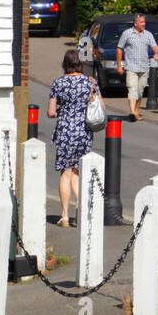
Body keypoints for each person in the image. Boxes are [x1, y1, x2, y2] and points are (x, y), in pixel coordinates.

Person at [47, 48, 103, 226]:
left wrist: (60, 113)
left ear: (65, 64)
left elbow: (50, 112)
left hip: (65, 132)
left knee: (65, 173)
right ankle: (80, 203)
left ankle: (64, 215)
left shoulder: (58, 83)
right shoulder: (90, 82)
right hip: (83, 133)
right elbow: (101, 105)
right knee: (77, 172)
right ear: (80, 63)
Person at [115, 12, 158, 121]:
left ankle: (136, 111)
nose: (144, 24)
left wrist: (156, 53)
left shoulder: (148, 34)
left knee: (140, 91)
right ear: (135, 23)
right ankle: (132, 112)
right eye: (142, 22)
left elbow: (155, 47)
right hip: (131, 67)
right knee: (132, 89)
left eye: (144, 22)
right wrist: (119, 65)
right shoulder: (127, 33)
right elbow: (119, 49)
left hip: (144, 67)